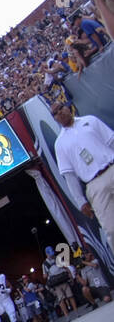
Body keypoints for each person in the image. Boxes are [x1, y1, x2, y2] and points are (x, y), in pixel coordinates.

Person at [52, 99, 114, 249]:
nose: (60, 113)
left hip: (111, 167)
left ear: (67, 107)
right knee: (111, 229)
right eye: (55, 113)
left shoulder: (90, 120)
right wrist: (80, 201)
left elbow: (111, 141)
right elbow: (70, 176)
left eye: (61, 108)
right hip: (94, 184)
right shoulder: (60, 144)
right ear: (54, 118)